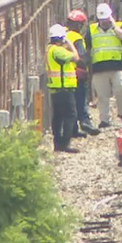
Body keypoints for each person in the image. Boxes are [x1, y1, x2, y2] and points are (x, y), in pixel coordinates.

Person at [88, 3, 122, 128]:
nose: (104, 22)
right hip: (99, 68)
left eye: (106, 19)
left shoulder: (119, 27)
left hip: (117, 67)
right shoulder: (91, 30)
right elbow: (87, 47)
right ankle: (104, 120)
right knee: (102, 96)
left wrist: (114, 27)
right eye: (102, 20)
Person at [46, 24, 81, 153]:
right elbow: (76, 57)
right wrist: (70, 44)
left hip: (56, 88)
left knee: (58, 116)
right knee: (70, 115)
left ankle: (57, 143)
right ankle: (65, 143)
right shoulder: (58, 50)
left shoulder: (50, 49)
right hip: (63, 88)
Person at [66, 9, 98, 135]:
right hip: (77, 74)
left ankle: (73, 129)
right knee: (81, 99)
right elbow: (80, 56)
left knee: (71, 103)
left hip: (65, 75)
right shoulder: (76, 37)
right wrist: (87, 59)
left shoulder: (63, 35)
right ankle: (85, 122)